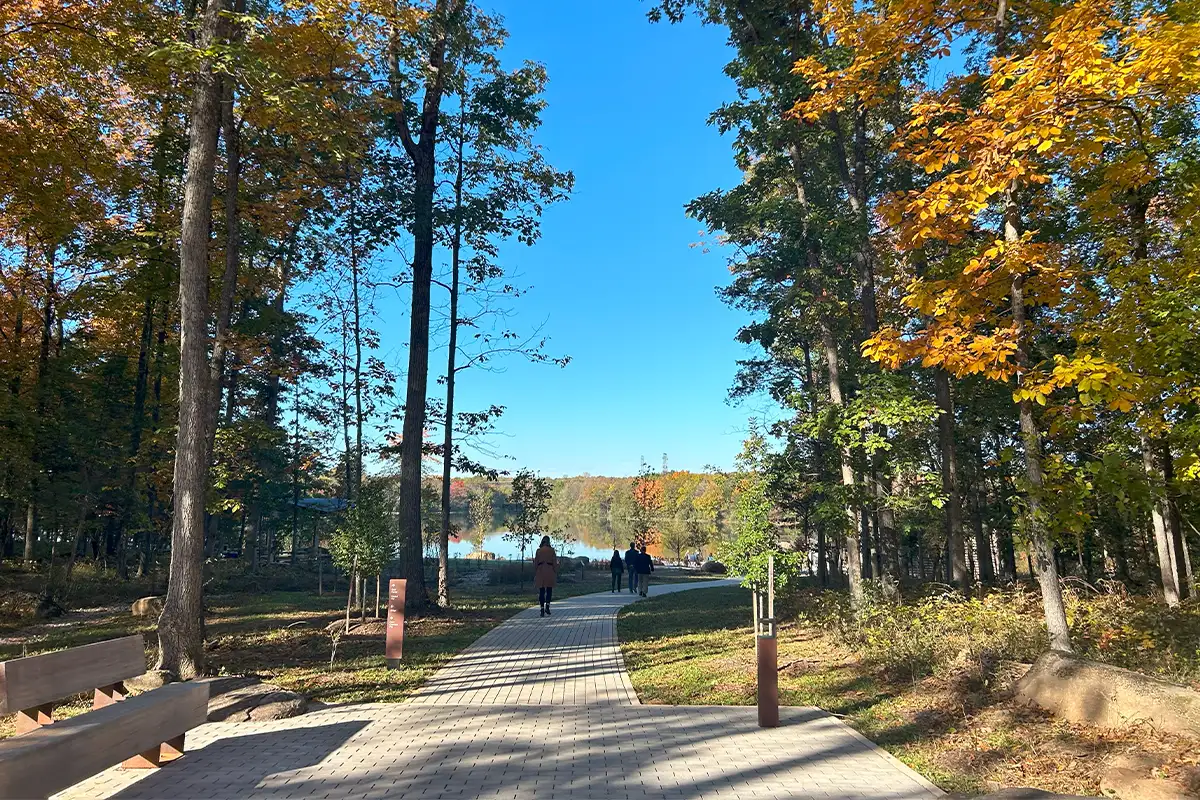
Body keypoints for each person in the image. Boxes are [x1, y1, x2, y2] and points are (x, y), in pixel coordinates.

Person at [534, 535, 558, 617]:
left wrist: (536, 571)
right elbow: (554, 562)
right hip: (549, 570)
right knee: (549, 590)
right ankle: (547, 606)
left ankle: (541, 609)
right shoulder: (551, 551)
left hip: (540, 571)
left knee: (541, 591)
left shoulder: (539, 551)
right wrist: (555, 570)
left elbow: (536, 562)